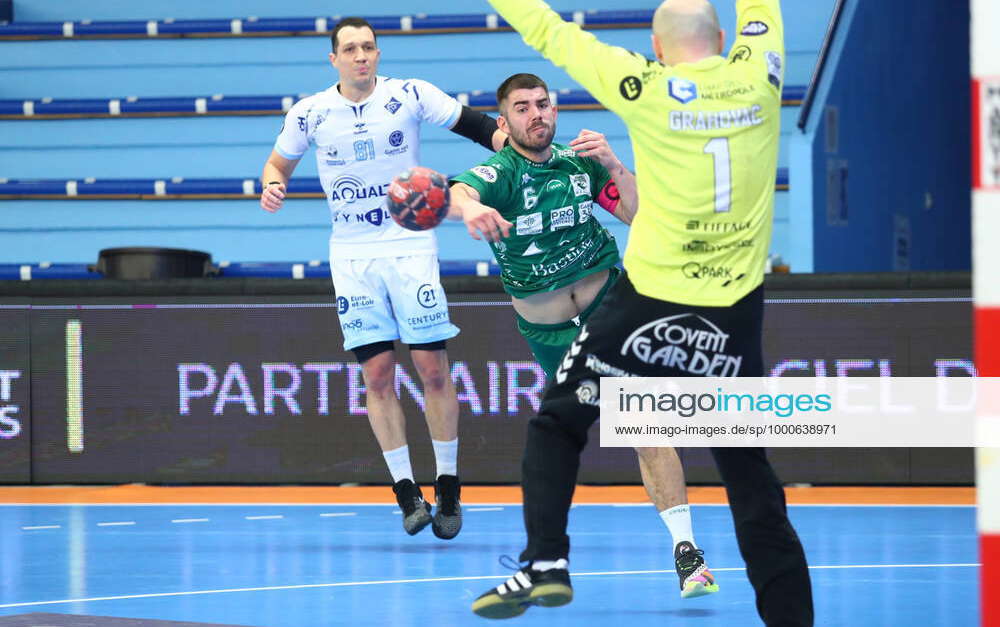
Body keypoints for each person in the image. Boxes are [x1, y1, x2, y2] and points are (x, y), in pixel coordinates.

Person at [472, 1, 814, 625]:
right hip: (732, 312)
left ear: (656, 48)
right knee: (750, 477)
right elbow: (762, 13)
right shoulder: (762, 74)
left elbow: (547, 31)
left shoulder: (642, 86)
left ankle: (546, 560)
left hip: (646, 301)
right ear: (721, 38)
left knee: (558, 423)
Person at [450, 72, 718, 601]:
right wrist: (471, 207)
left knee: (645, 423)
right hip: (549, 332)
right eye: (523, 108)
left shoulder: (581, 165)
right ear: (504, 122)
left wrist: (616, 165)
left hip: (608, 310)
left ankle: (689, 556)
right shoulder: (499, 173)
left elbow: (642, 214)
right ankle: (547, 559)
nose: (537, 115)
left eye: (544, 104)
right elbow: (461, 189)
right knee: (559, 435)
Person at [259, 17, 507, 540]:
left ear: (378, 53)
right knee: (376, 376)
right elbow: (276, 165)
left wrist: (517, 147)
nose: (361, 56)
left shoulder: (409, 95)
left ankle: (449, 487)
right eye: (349, 49)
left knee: (431, 368)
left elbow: (478, 126)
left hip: (411, 245)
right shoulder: (309, 113)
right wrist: (273, 186)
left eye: (368, 47)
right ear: (334, 59)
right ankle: (406, 493)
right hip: (352, 257)